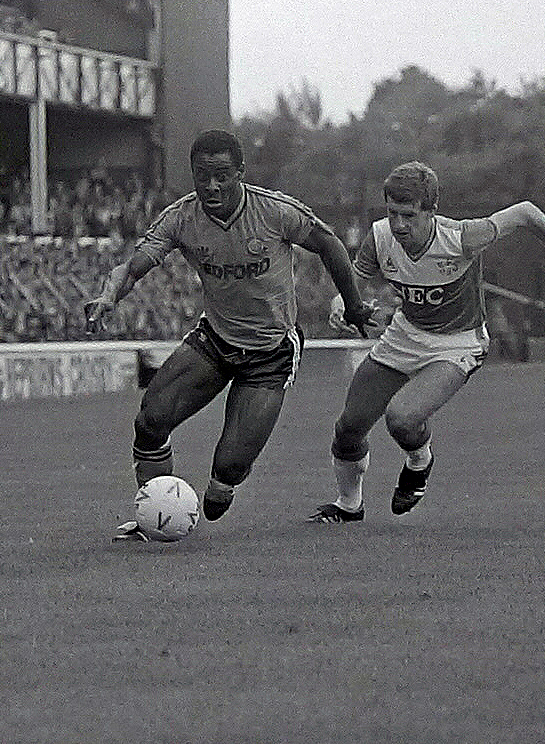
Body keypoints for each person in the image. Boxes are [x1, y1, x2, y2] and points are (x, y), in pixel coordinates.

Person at [83, 129, 374, 537]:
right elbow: (135, 266)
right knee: (150, 420)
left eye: (222, 175)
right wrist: (109, 296)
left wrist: (355, 304)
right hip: (215, 342)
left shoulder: (273, 212)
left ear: (240, 171)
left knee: (226, 477)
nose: (211, 185)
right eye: (202, 175)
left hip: (270, 354)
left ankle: (223, 482)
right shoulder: (181, 218)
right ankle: (155, 519)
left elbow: (330, 245)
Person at [307, 161, 545, 523]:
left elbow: (525, 212)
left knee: (402, 419)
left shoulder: (462, 237)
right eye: (392, 213)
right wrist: (340, 305)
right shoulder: (379, 237)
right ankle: (349, 506)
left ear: (431, 212)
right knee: (349, 426)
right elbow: (355, 283)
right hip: (404, 336)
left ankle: (419, 460)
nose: (399, 225)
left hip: (457, 344)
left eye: (408, 216)